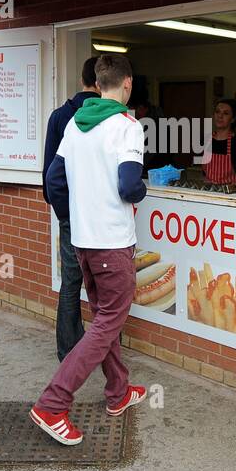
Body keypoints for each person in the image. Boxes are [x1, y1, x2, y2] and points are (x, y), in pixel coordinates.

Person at [33, 53, 147, 446]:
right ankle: (53, 402)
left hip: (82, 241)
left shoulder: (75, 125)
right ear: (127, 84)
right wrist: (142, 192)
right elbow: (130, 185)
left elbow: (54, 180)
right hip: (113, 244)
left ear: (98, 85)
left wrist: (77, 217)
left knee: (102, 318)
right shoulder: (127, 127)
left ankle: (119, 392)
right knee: (106, 324)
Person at [42, 56, 98, 361]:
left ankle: (68, 349)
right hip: (100, 214)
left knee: (71, 281)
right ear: (102, 83)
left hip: (69, 213)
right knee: (102, 282)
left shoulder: (59, 116)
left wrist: (62, 210)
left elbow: (49, 170)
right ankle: (102, 348)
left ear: (82, 79)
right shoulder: (111, 117)